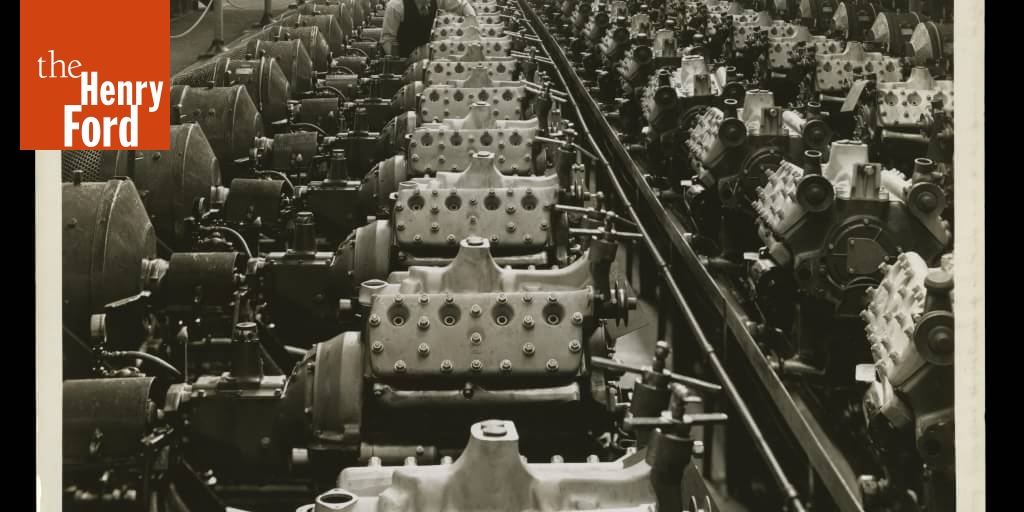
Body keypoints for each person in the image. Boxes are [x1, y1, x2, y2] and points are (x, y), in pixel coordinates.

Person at [380, 0, 478, 58]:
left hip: (428, 56)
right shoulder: (396, 6)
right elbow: (387, 39)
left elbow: (462, 5)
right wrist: (398, 62)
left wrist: (473, 22)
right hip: (404, 57)